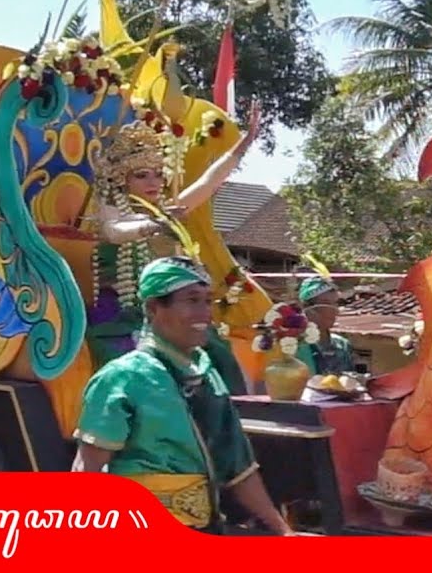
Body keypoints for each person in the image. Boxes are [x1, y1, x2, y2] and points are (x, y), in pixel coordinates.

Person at [73, 256, 293, 536]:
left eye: (206, 301)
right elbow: (87, 471)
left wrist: (283, 531)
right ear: (154, 307)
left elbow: (238, 466)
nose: (205, 313)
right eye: (191, 300)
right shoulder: (124, 377)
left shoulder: (208, 375)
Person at [83, 101, 262, 393]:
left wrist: (245, 143)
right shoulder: (113, 209)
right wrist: (153, 226)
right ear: (122, 179)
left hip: (170, 311)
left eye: (157, 174)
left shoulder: (167, 211)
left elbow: (208, 182)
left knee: (219, 354)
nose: (153, 182)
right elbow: (114, 232)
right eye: (141, 175)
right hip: (122, 313)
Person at [293, 273, 354, 376]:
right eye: (326, 303)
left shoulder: (342, 345)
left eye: (335, 303)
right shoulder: (294, 346)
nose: (334, 311)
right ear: (308, 308)